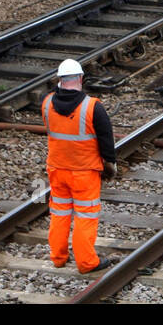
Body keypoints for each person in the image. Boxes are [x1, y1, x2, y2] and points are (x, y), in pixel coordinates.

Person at [43, 58, 117, 274]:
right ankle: (86, 263)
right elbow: (106, 140)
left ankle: (58, 257)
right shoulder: (93, 107)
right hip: (84, 173)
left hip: (57, 170)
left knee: (59, 212)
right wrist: (110, 164)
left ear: (59, 79)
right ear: (81, 78)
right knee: (86, 215)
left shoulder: (47, 103)